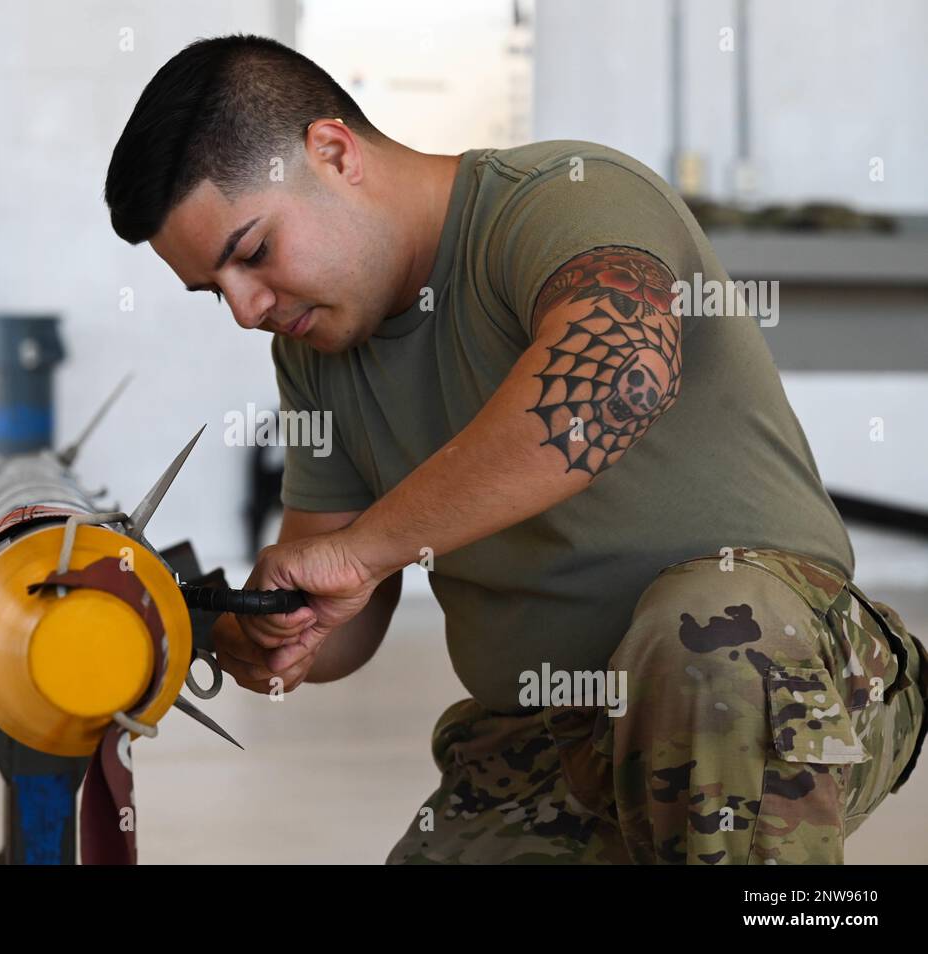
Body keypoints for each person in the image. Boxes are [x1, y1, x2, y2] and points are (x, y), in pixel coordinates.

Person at [103, 34, 927, 864]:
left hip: (781, 672)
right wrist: (271, 639)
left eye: (252, 254)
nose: (247, 309)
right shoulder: (316, 350)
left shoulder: (562, 199)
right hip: (541, 742)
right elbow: (342, 606)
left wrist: (358, 555)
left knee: (707, 637)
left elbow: (612, 381)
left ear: (333, 153)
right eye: (217, 291)